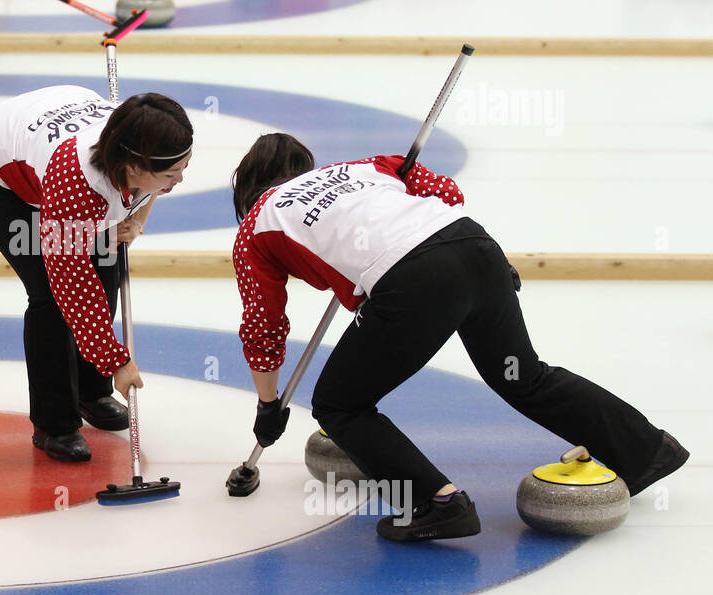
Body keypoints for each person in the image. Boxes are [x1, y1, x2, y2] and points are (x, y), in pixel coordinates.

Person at [230, 133, 687, 541]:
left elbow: (264, 326)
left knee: (338, 404)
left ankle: (438, 504)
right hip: (476, 248)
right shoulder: (369, 167)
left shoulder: (256, 225)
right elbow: (447, 193)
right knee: (524, 377)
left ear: (247, 192)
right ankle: (645, 449)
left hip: (414, 281)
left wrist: (269, 405)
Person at [0, 86, 193, 462]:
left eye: (183, 167)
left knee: (107, 271)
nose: (180, 180)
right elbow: (72, 283)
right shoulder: (77, 184)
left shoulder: (156, 141)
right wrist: (117, 360)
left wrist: (135, 220)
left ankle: (92, 392)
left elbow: (153, 189)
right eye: (172, 173)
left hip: (58, 131)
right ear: (133, 168)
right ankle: (54, 423)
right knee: (52, 297)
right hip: (6, 175)